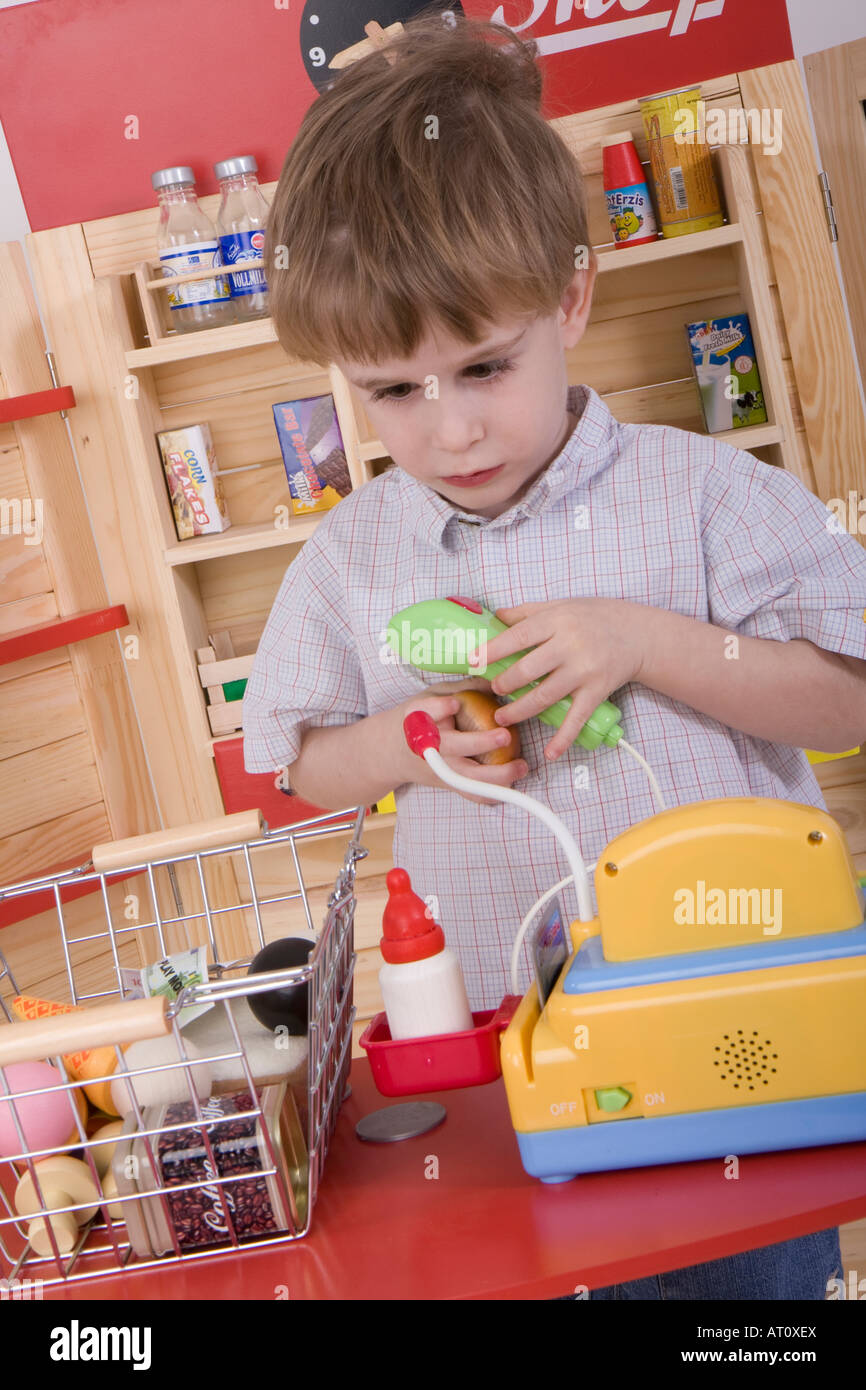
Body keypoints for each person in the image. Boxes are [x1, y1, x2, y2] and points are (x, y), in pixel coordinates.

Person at [243, 11, 866, 1300]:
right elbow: (301, 759)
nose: (451, 429)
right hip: (489, 1058)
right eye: (392, 392)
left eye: (484, 366)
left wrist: (646, 643)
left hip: (721, 1029)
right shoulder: (355, 554)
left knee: (738, 1308)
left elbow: (847, 689)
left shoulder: (703, 494)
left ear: (571, 295)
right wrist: (416, 738)